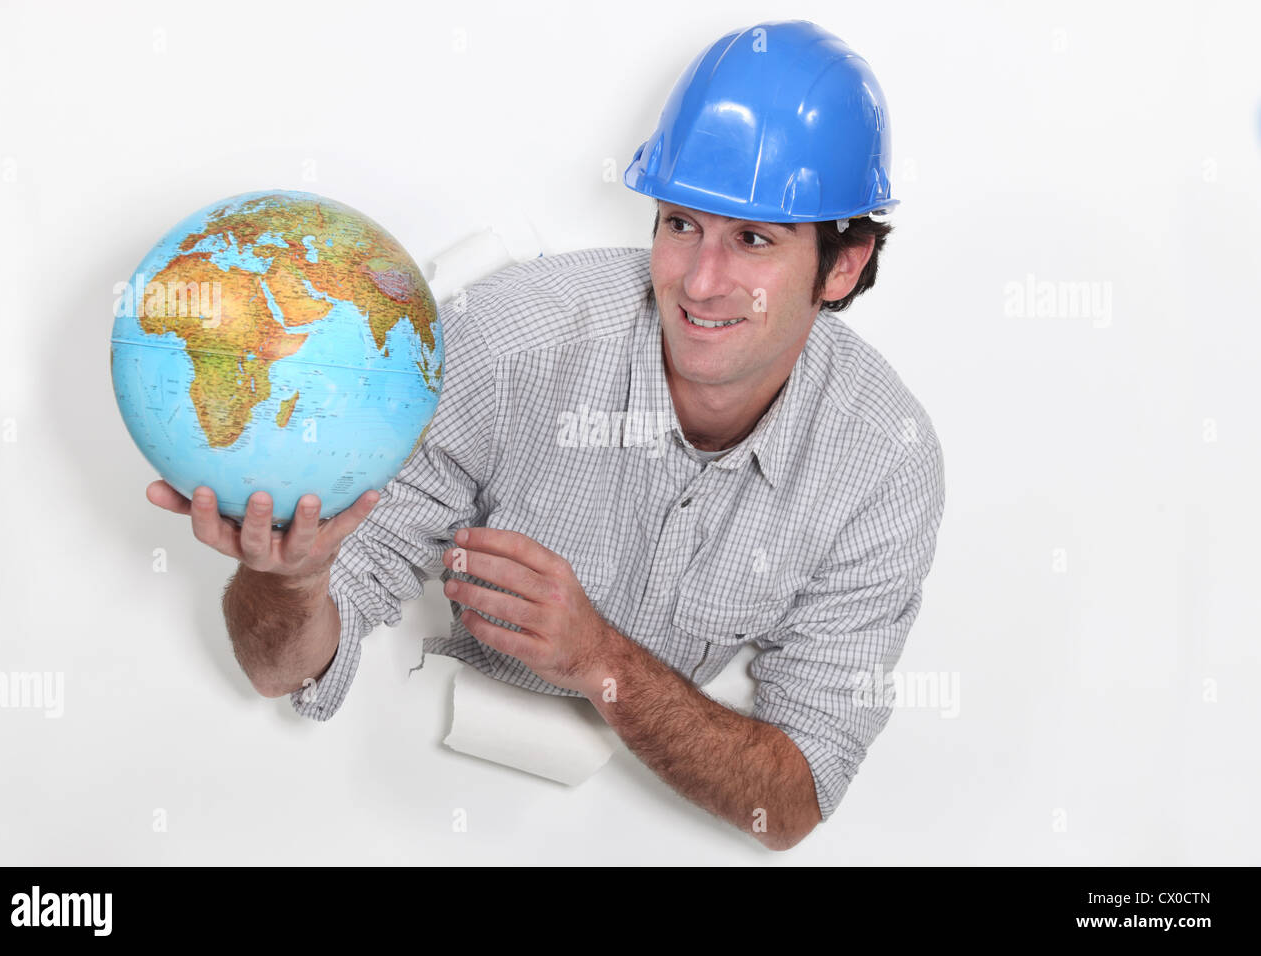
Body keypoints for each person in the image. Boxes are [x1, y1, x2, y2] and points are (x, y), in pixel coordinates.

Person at [147, 20, 945, 851]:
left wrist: (596, 657)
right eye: (680, 224)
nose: (701, 283)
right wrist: (290, 581)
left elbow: (792, 804)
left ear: (843, 265)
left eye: (752, 240)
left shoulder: (884, 464)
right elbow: (284, 671)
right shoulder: (508, 346)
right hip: (399, 805)